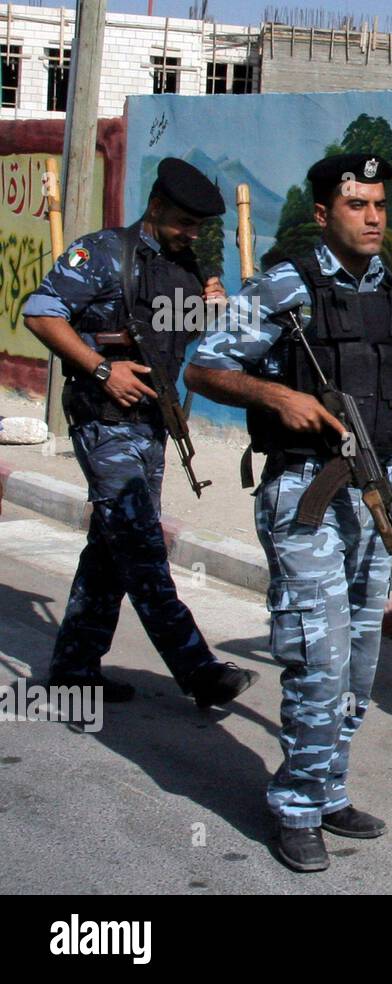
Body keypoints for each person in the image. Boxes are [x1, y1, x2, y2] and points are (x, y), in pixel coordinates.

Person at [185, 153, 392, 873]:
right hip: (305, 495)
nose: (371, 217)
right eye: (356, 205)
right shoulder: (283, 287)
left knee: (360, 661)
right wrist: (278, 397)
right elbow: (203, 367)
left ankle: (328, 787)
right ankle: (296, 806)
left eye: (380, 206)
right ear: (325, 212)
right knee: (317, 652)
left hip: (374, 496)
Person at [22, 157, 258, 707]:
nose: (191, 234)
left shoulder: (188, 267)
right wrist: (102, 369)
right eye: (183, 222)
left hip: (153, 425)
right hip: (103, 420)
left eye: (199, 227)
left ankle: (73, 672)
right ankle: (198, 670)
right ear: (155, 208)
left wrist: (211, 311)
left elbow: (177, 333)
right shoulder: (103, 253)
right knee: (142, 546)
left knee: (112, 547)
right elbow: (40, 312)